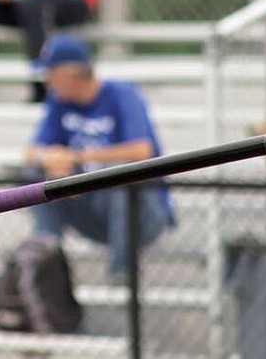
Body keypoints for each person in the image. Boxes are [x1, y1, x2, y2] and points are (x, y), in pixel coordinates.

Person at [23, 34, 175, 283]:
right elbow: (30, 153)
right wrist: (50, 158)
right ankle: (46, 267)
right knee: (37, 174)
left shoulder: (122, 94)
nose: (47, 82)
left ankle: (121, 273)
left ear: (72, 74)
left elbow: (141, 151)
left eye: (51, 74)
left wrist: (76, 158)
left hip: (142, 212)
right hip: (92, 208)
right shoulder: (59, 102)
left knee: (118, 175)